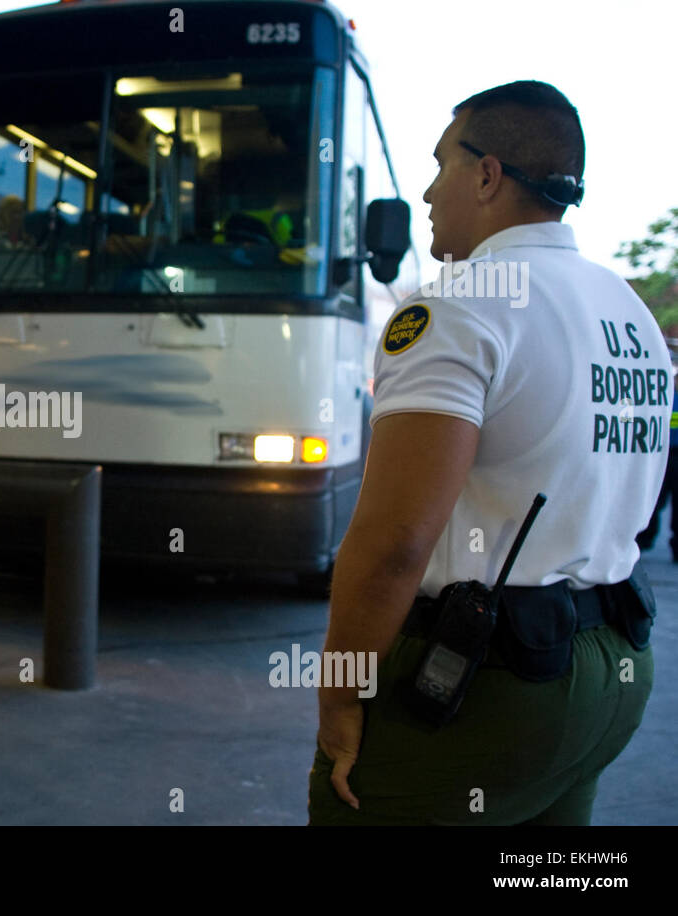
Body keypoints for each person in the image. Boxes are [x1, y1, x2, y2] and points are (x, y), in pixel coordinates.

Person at [307, 81, 662, 825]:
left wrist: (340, 694)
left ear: (488, 174)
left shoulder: (456, 305)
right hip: (612, 668)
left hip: (486, 680)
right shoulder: (627, 309)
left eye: (440, 166)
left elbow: (395, 545)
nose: (430, 193)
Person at [636, 353, 678, 558]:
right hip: (663, 451)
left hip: (673, 453)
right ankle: (644, 538)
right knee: (654, 499)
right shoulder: (668, 394)